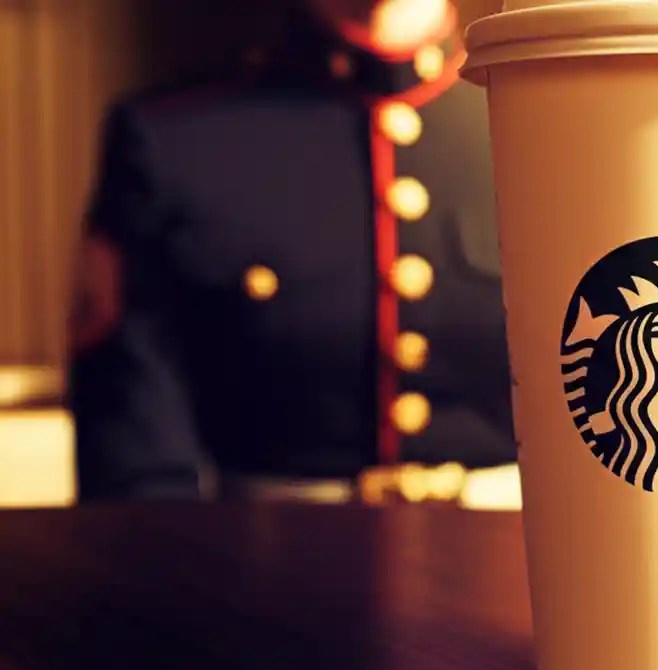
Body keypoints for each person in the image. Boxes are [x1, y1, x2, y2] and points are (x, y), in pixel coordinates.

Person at [68, 0, 515, 502]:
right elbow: (134, 462)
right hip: (257, 566)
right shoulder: (171, 137)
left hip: (524, 563)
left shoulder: (541, 121)